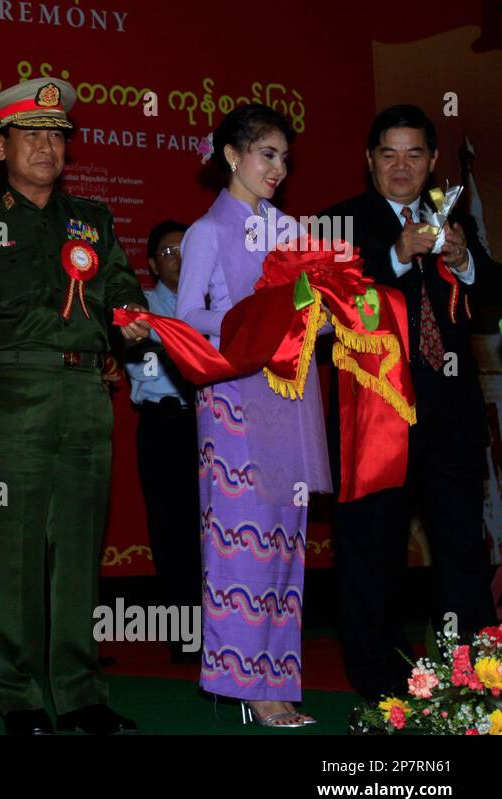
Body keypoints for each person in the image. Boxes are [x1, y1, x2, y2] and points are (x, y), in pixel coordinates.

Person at [0, 78, 150, 735]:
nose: (48, 146)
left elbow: (121, 288)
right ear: (0, 145)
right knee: (16, 554)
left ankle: (81, 693)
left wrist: (131, 317)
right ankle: (19, 697)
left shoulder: (94, 221)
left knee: (79, 553)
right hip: (9, 399)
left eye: (58, 135)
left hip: (85, 396)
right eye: (32, 134)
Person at [321, 105, 498, 702]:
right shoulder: (339, 223)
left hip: (451, 418)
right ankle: (384, 687)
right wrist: (396, 256)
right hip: (376, 418)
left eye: (415, 154)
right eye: (389, 154)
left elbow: (493, 298)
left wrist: (463, 262)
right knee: (372, 554)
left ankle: (472, 678)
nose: (402, 166)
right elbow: (326, 304)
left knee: (461, 550)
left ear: (432, 162)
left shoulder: (454, 219)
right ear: (370, 160)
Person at [177, 104, 330, 727]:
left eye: (285, 158)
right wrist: (254, 325)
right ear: (232, 155)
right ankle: (242, 685)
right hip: (235, 401)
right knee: (242, 547)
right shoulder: (206, 233)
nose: (278, 168)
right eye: (267, 154)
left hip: (288, 401)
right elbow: (187, 324)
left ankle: (277, 678)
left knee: (286, 544)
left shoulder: (292, 232)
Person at [124, 220, 201, 664]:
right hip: (164, 425)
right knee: (171, 532)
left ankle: (224, 629)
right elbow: (143, 361)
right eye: (168, 253)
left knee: (216, 530)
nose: (178, 260)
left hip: (210, 425)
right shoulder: (144, 306)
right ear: (152, 263)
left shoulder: (210, 304)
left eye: (185, 250)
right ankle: (184, 637)